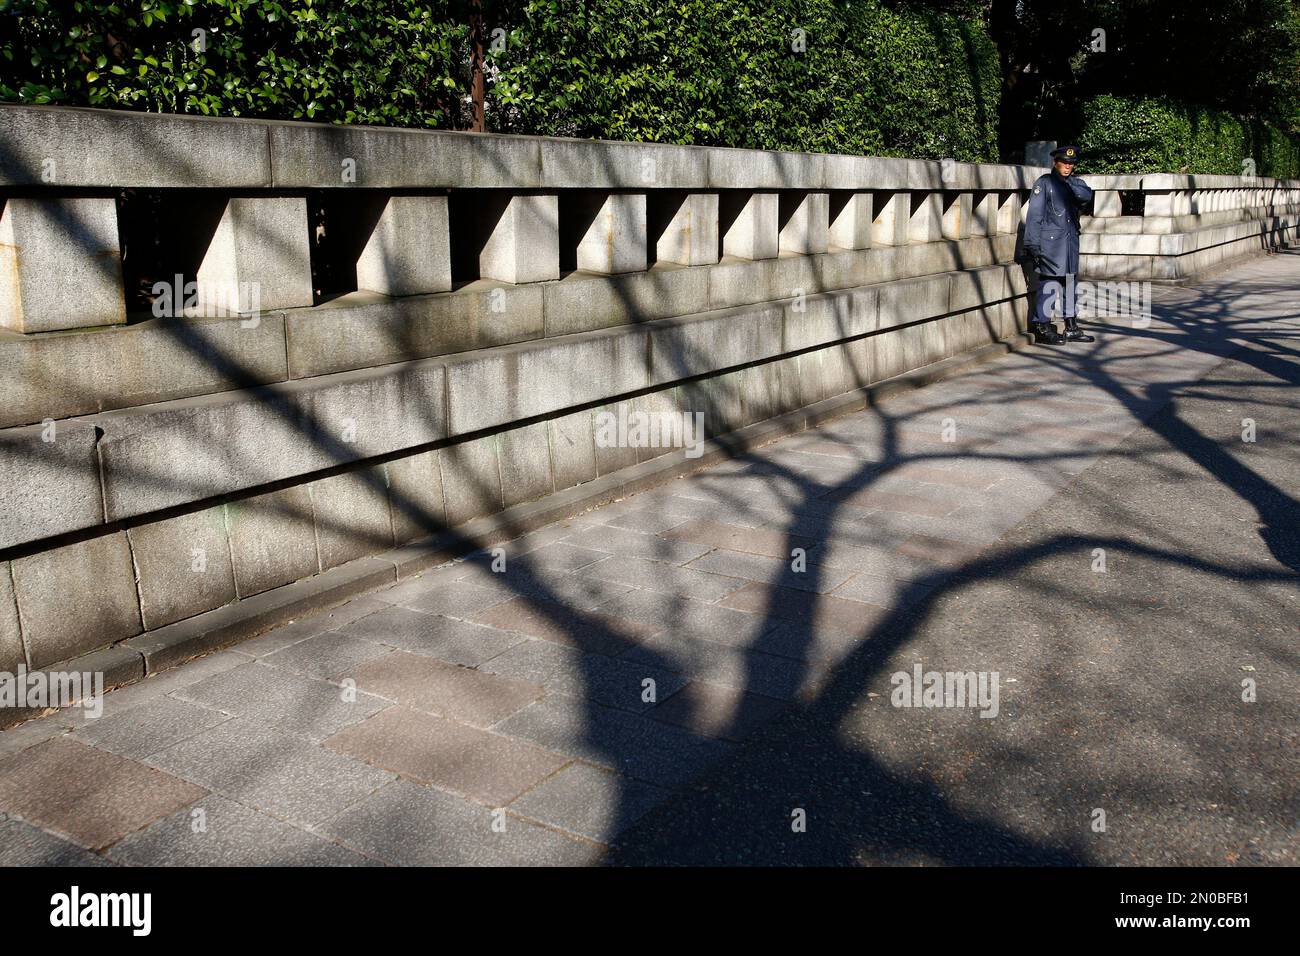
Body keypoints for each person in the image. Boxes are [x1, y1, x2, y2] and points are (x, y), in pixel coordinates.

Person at [1022, 144, 1095, 344]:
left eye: (1071, 163)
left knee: (1070, 283)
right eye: (1064, 162)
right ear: (1055, 163)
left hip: (1070, 243)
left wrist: (1067, 183)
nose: (1068, 166)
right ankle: (1042, 326)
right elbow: (1034, 216)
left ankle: (1071, 326)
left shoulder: (1074, 183)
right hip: (1051, 245)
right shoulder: (1044, 183)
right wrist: (1032, 245)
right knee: (1050, 283)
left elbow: (1086, 196)